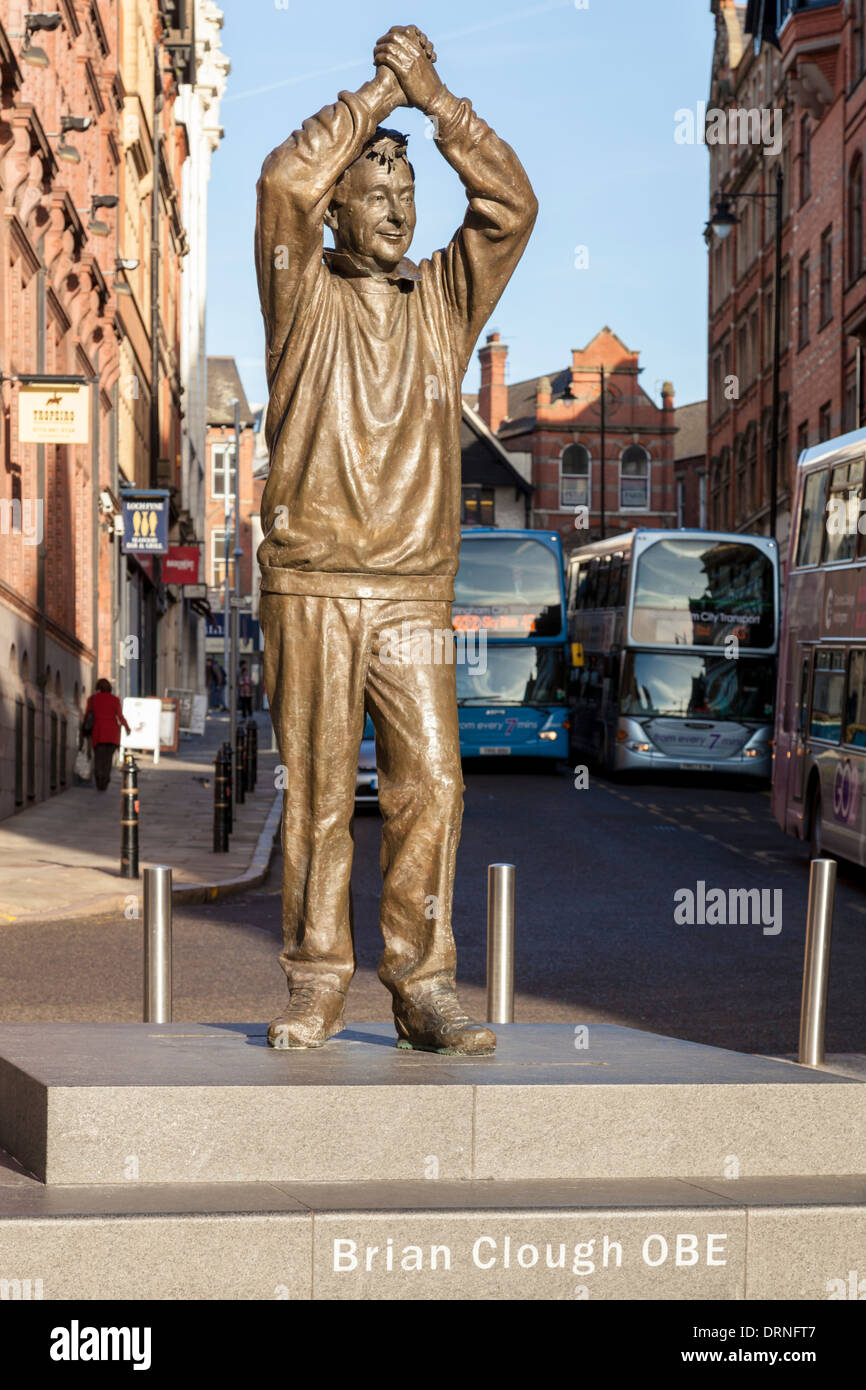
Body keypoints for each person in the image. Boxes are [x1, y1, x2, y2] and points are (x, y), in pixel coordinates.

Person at [255, 25, 536, 1053]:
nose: (396, 209)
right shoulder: (299, 294)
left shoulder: (443, 301)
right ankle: (315, 980)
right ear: (336, 208)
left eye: (406, 198)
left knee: (433, 782)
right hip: (311, 584)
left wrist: (436, 100)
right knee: (321, 793)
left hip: (412, 594)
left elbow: (509, 207)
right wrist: (377, 94)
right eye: (374, 194)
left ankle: (422, 983)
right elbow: (282, 181)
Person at [82, 679, 131, 792]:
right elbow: (120, 716)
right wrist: (127, 728)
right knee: (108, 759)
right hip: (112, 734)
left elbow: (87, 716)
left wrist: (84, 731)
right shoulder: (115, 700)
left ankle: (99, 778)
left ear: (98, 688)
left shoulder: (92, 699)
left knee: (98, 757)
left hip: (98, 733)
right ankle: (105, 778)